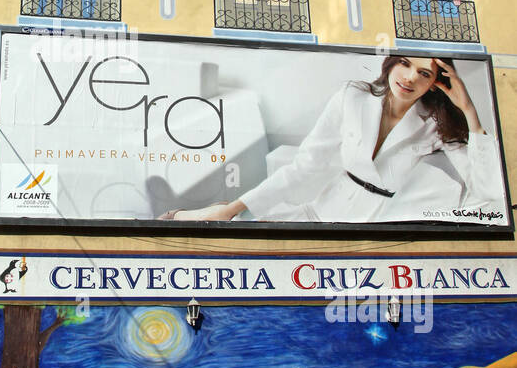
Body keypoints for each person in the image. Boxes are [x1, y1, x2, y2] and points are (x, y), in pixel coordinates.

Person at [160, 55, 501, 224]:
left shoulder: (435, 124)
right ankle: (211, 212)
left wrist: (469, 110)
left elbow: (489, 193)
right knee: (247, 228)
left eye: (424, 73)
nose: (410, 77)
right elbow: (307, 165)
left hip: (376, 228)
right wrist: (236, 207)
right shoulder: (353, 96)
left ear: (435, 84)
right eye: (406, 64)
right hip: (320, 211)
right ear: (392, 63)